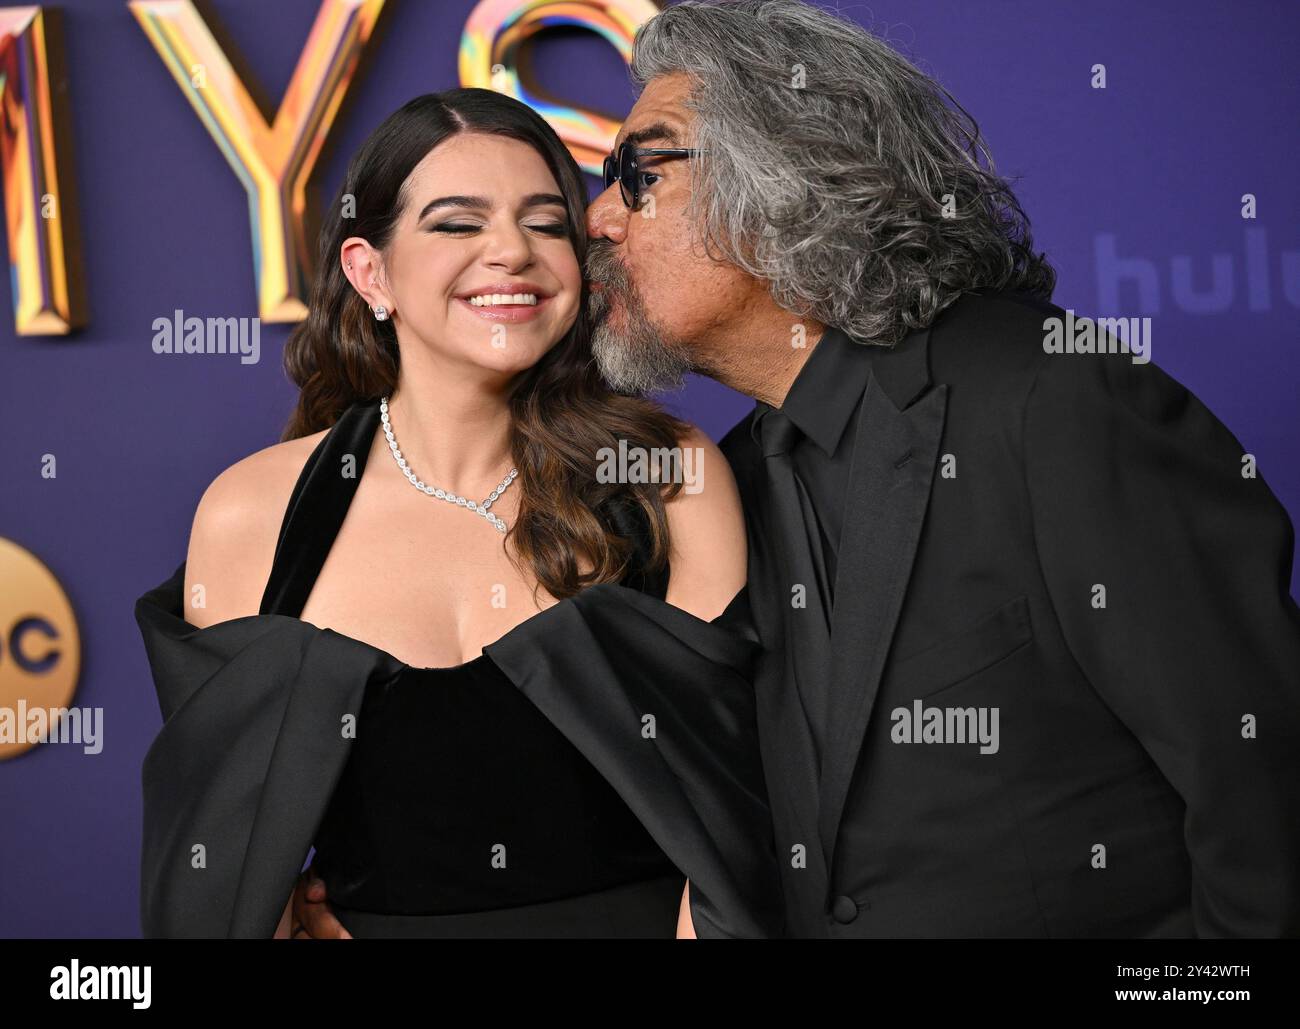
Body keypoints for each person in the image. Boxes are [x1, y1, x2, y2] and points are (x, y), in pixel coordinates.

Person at [577, 0, 1300, 937]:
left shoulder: (1054, 401)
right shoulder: (725, 491)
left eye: (639, 170)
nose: (598, 217)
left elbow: (1267, 807)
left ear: (790, 170)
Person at [134, 87, 782, 939]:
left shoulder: (669, 476)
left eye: (546, 222)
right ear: (371, 272)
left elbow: (737, 824)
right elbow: (212, 856)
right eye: (456, 223)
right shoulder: (252, 512)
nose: (510, 252)